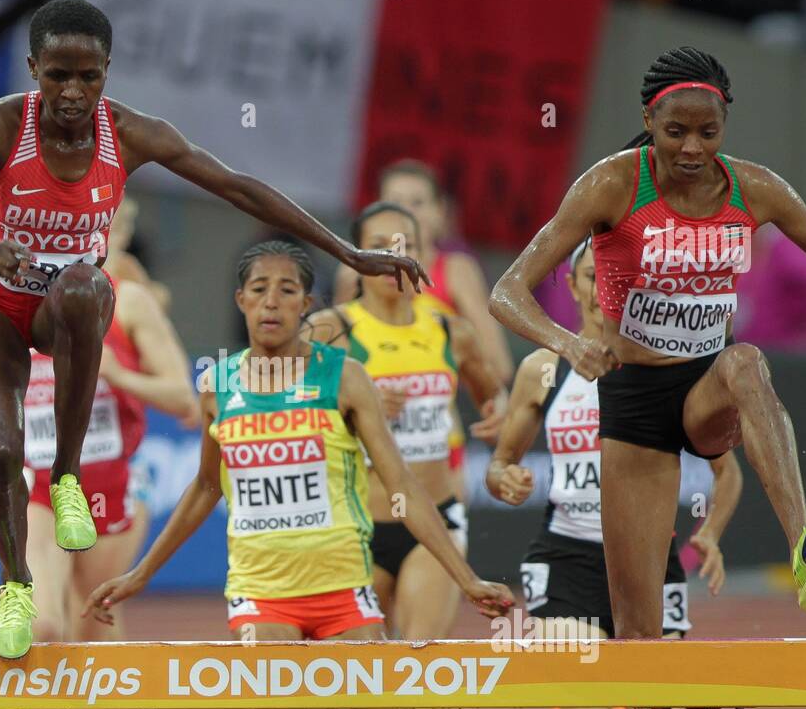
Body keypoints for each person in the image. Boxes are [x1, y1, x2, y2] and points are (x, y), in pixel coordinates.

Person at [0, 0, 425, 659]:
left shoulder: (130, 134)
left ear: (107, 73)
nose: (72, 92)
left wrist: (350, 253)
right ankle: (16, 587)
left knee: (88, 282)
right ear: (34, 69)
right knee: (3, 451)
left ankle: (65, 477)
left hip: (64, 307)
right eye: (57, 75)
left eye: (88, 77)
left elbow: (239, 187)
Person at [489, 47, 806, 637]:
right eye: (676, 132)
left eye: (708, 132)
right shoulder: (611, 184)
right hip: (634, 399)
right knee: (639, 632)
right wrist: (568, 343)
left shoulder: (754, 188)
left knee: (746, 361)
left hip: (705, 384)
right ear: (649, 122)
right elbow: (507, 289)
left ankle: (804, 546)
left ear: (725, 127)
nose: (692, 149)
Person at [83, 241, 512, 638]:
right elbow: (206, 486)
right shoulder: (219, 383)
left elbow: (402, 484)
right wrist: (139, 575)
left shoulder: (344, 377)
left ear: (306, 305)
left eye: (287, 290)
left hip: (344, 586)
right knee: (276, 706)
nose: (271, 301)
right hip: (261, 592)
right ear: (242, 301)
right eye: (259, 289)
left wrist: (467, 579)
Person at [487, 239, 742, 639]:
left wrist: (710, 533)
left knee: (651, 692)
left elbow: (727, 472)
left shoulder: (668, 369)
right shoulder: (542, 370)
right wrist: (503, 477)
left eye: (614, 278)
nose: (602, 289)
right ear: (572, 286)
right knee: (580, 673)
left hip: (650, 555)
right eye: (593, 277)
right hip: (568, 557)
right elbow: (499, 464)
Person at [0, 276, 197, 641]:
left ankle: (101, 698)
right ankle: (45, 696)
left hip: (109, 482)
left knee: (93, 616)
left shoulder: (128, 301)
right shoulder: (10, 293)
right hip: (41, 484)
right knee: (45, 624)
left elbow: (182, 398)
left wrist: (117, 374)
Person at [305, 202, 508, 638]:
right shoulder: (328, 330)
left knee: (418, 666)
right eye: (378, 247)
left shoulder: (451, 331)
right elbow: (284, 409)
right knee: (361, 680)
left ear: (423, 256)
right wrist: (356, 398)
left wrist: (501, 415)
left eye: (405, 246)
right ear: (353, 257)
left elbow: (494, 395)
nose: (394, 258)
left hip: (434, 521)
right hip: (355, 528)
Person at [334, 159, 514, 384]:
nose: (405, 211)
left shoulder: (456, 269)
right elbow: (332, 363)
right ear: (377, 210)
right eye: (394, 201)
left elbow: (499, 365)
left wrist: (436, 376)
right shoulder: (354, 269)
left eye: (417, 202)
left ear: (440, 211)